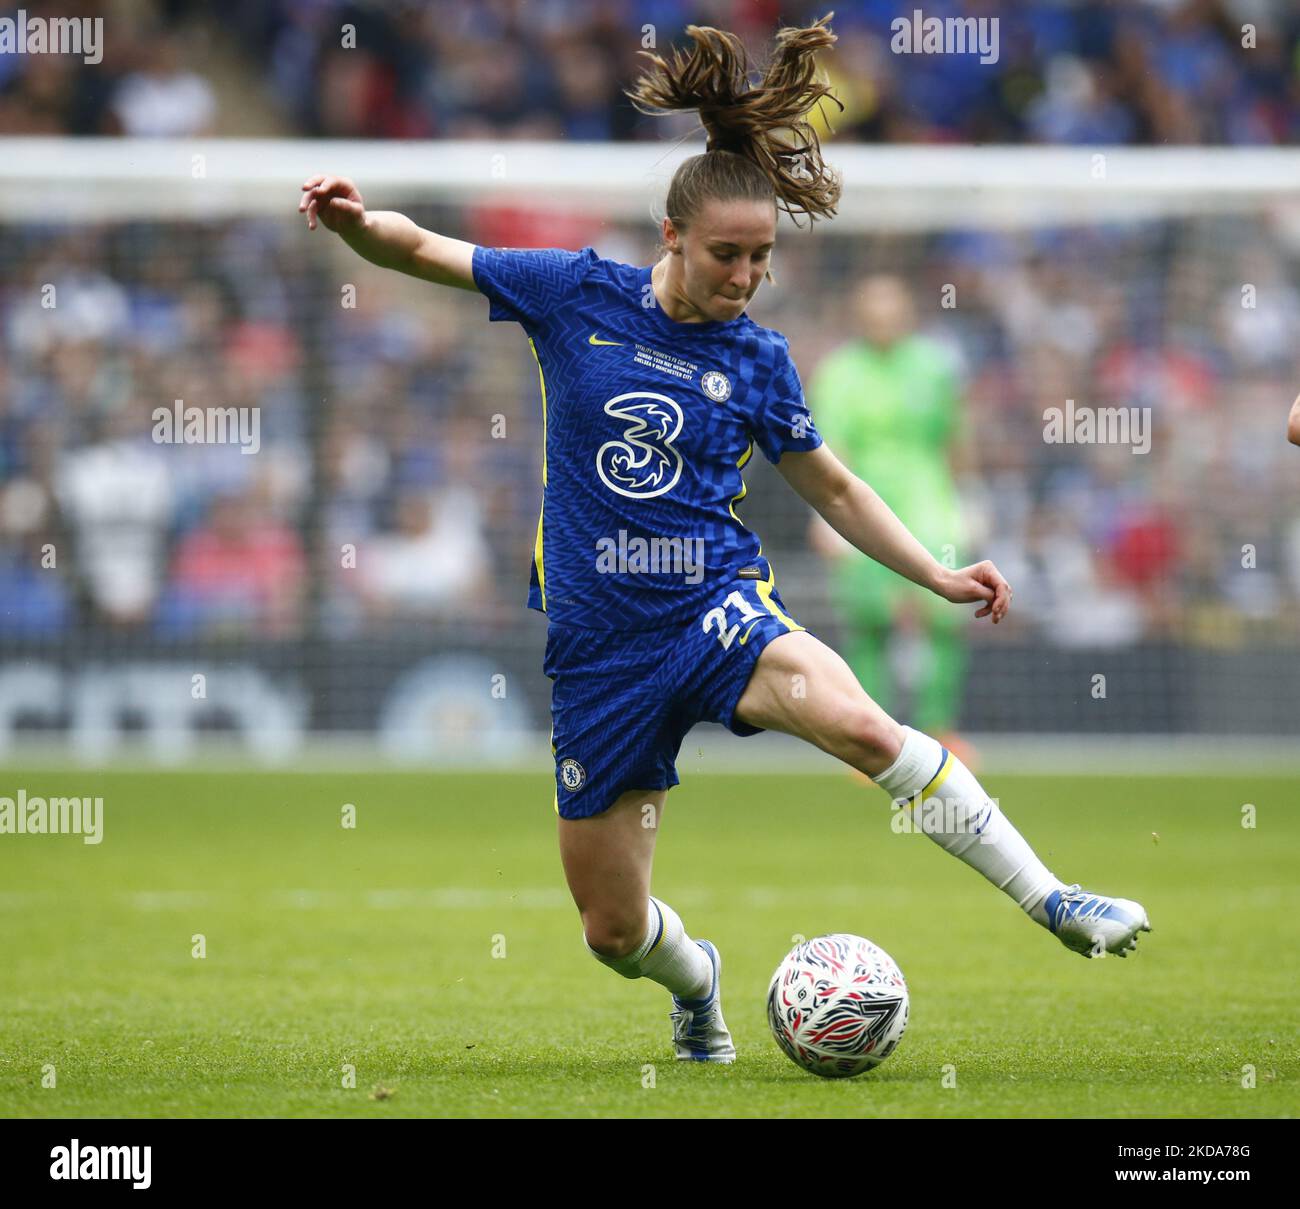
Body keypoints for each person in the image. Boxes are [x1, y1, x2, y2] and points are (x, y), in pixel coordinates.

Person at [299, 14, 1151, 1066]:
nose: (744, 277)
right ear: (670, 238)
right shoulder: (576, 296)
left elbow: (829, 483)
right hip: (597, 646)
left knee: (866, 728)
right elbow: (428, 248)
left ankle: (1050, 898)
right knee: (613, 934)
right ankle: (697, 981)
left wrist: (932, 571)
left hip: (714, 607)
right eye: (725, 255)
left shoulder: (756, 358)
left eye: (760, 258)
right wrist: (352, 227)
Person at [808, 274, 973, 755]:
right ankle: (872, 737)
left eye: (891, 307)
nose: (882, 318)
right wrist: (824, 516)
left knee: (944, 615)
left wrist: (971, 496)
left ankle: (940, 728)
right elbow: (830, 447)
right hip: (862, 503)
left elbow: (956, 437)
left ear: (907, 312)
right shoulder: (840, 371)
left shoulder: (935, 366)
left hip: (930, 500)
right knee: (869, 622)